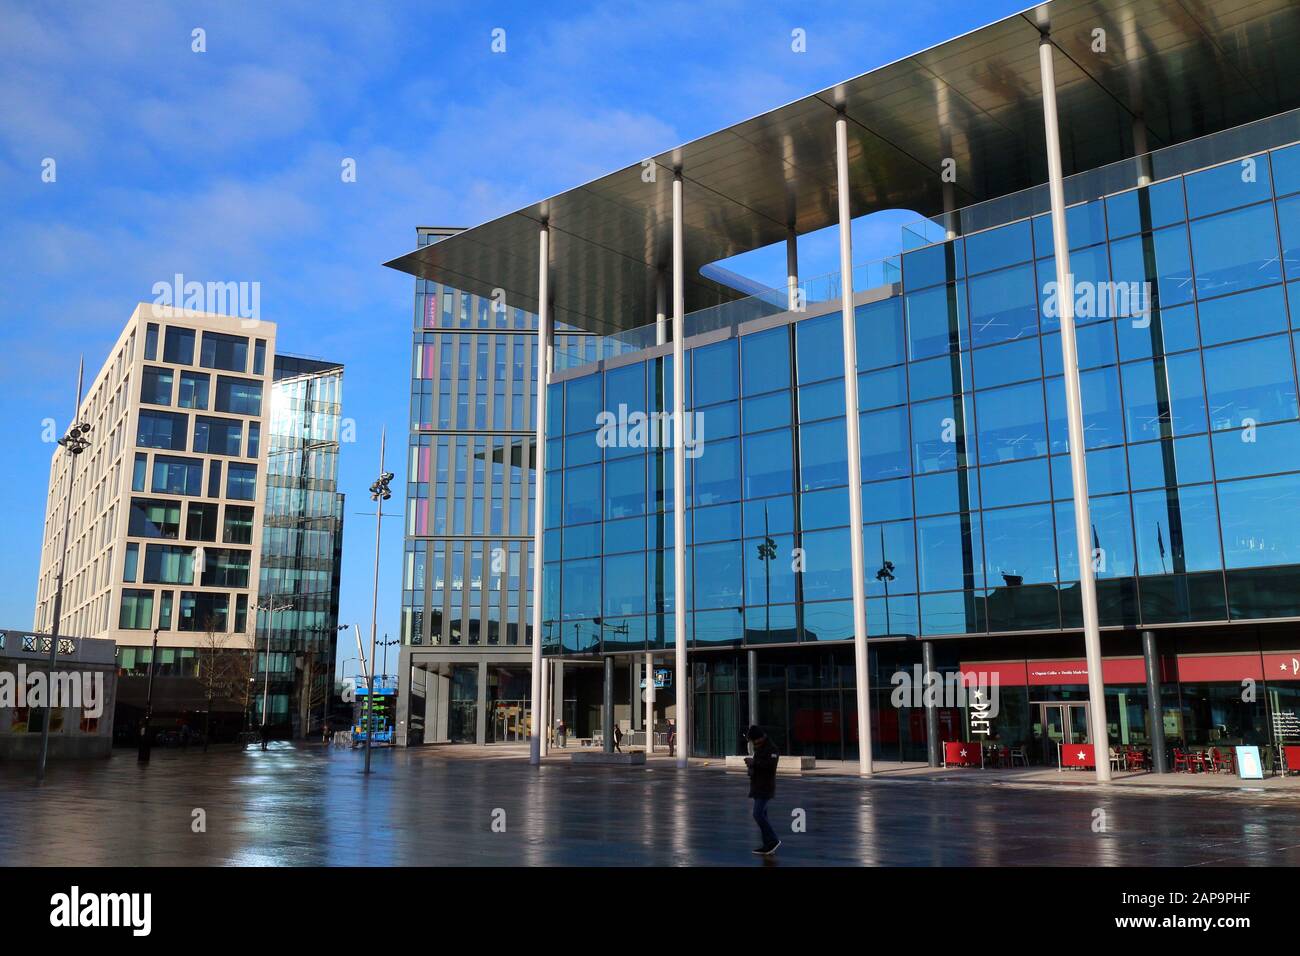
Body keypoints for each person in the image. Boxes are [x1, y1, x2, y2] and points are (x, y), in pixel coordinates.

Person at [744, 724, 781, 856]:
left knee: (757, 814)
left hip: (765, 787)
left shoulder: (772, 749)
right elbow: (760, 765)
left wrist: (754, 763)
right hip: (757, 786)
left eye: (754, 740)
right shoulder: (759, 748)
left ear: (760, 738)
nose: (754, 743)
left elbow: (770, 767)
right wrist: (751, 768)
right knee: (762, 815)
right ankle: (767, 845)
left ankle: (773, 840)